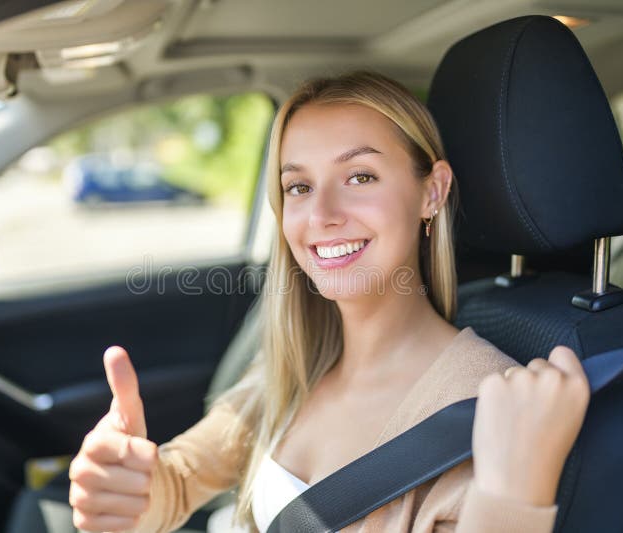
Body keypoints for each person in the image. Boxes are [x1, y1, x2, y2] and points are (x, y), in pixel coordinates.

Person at [67, 71, 590, 533]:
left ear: (432, 192)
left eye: (360, 176)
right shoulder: (291, 368)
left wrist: (512, 498)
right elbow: (178, 484)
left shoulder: (488, 415)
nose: (321, 214)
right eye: (298, 186)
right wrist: (130, 490)